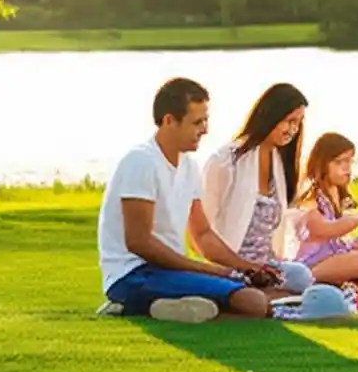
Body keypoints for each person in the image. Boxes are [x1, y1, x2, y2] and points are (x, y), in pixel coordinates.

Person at [97, 77, 271, 323]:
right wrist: (210, 270)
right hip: (133, 276)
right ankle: (137, 306)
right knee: (253, 303)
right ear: (169, 121)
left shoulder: (189, 167)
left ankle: (169, 308)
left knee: (262, 294)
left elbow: (202, 234)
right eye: (197, 122)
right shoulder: (140, 162)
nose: (205, 129)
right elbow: (139, 242)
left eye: (206, 120)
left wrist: (245, 268)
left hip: (167, 273)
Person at [200, 83, 315, 296]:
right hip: (233, 264)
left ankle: (269, 295)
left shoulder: (279, 163)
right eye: (289, 121)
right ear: (271, 115)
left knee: (302, 276)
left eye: (298, 123)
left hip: (267, 267)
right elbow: (201, 231)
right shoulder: (226, 161)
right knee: (304, 292)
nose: (293, 130)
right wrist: (238, 266)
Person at [293, 132, 358, 287]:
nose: (347, 168)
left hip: (335, 253)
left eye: (350, 162)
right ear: (322, 163)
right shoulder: (311, 195)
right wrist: (357, 220)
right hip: (313, 264)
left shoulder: (335, 191)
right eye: (340, 162)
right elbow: (322, 230)